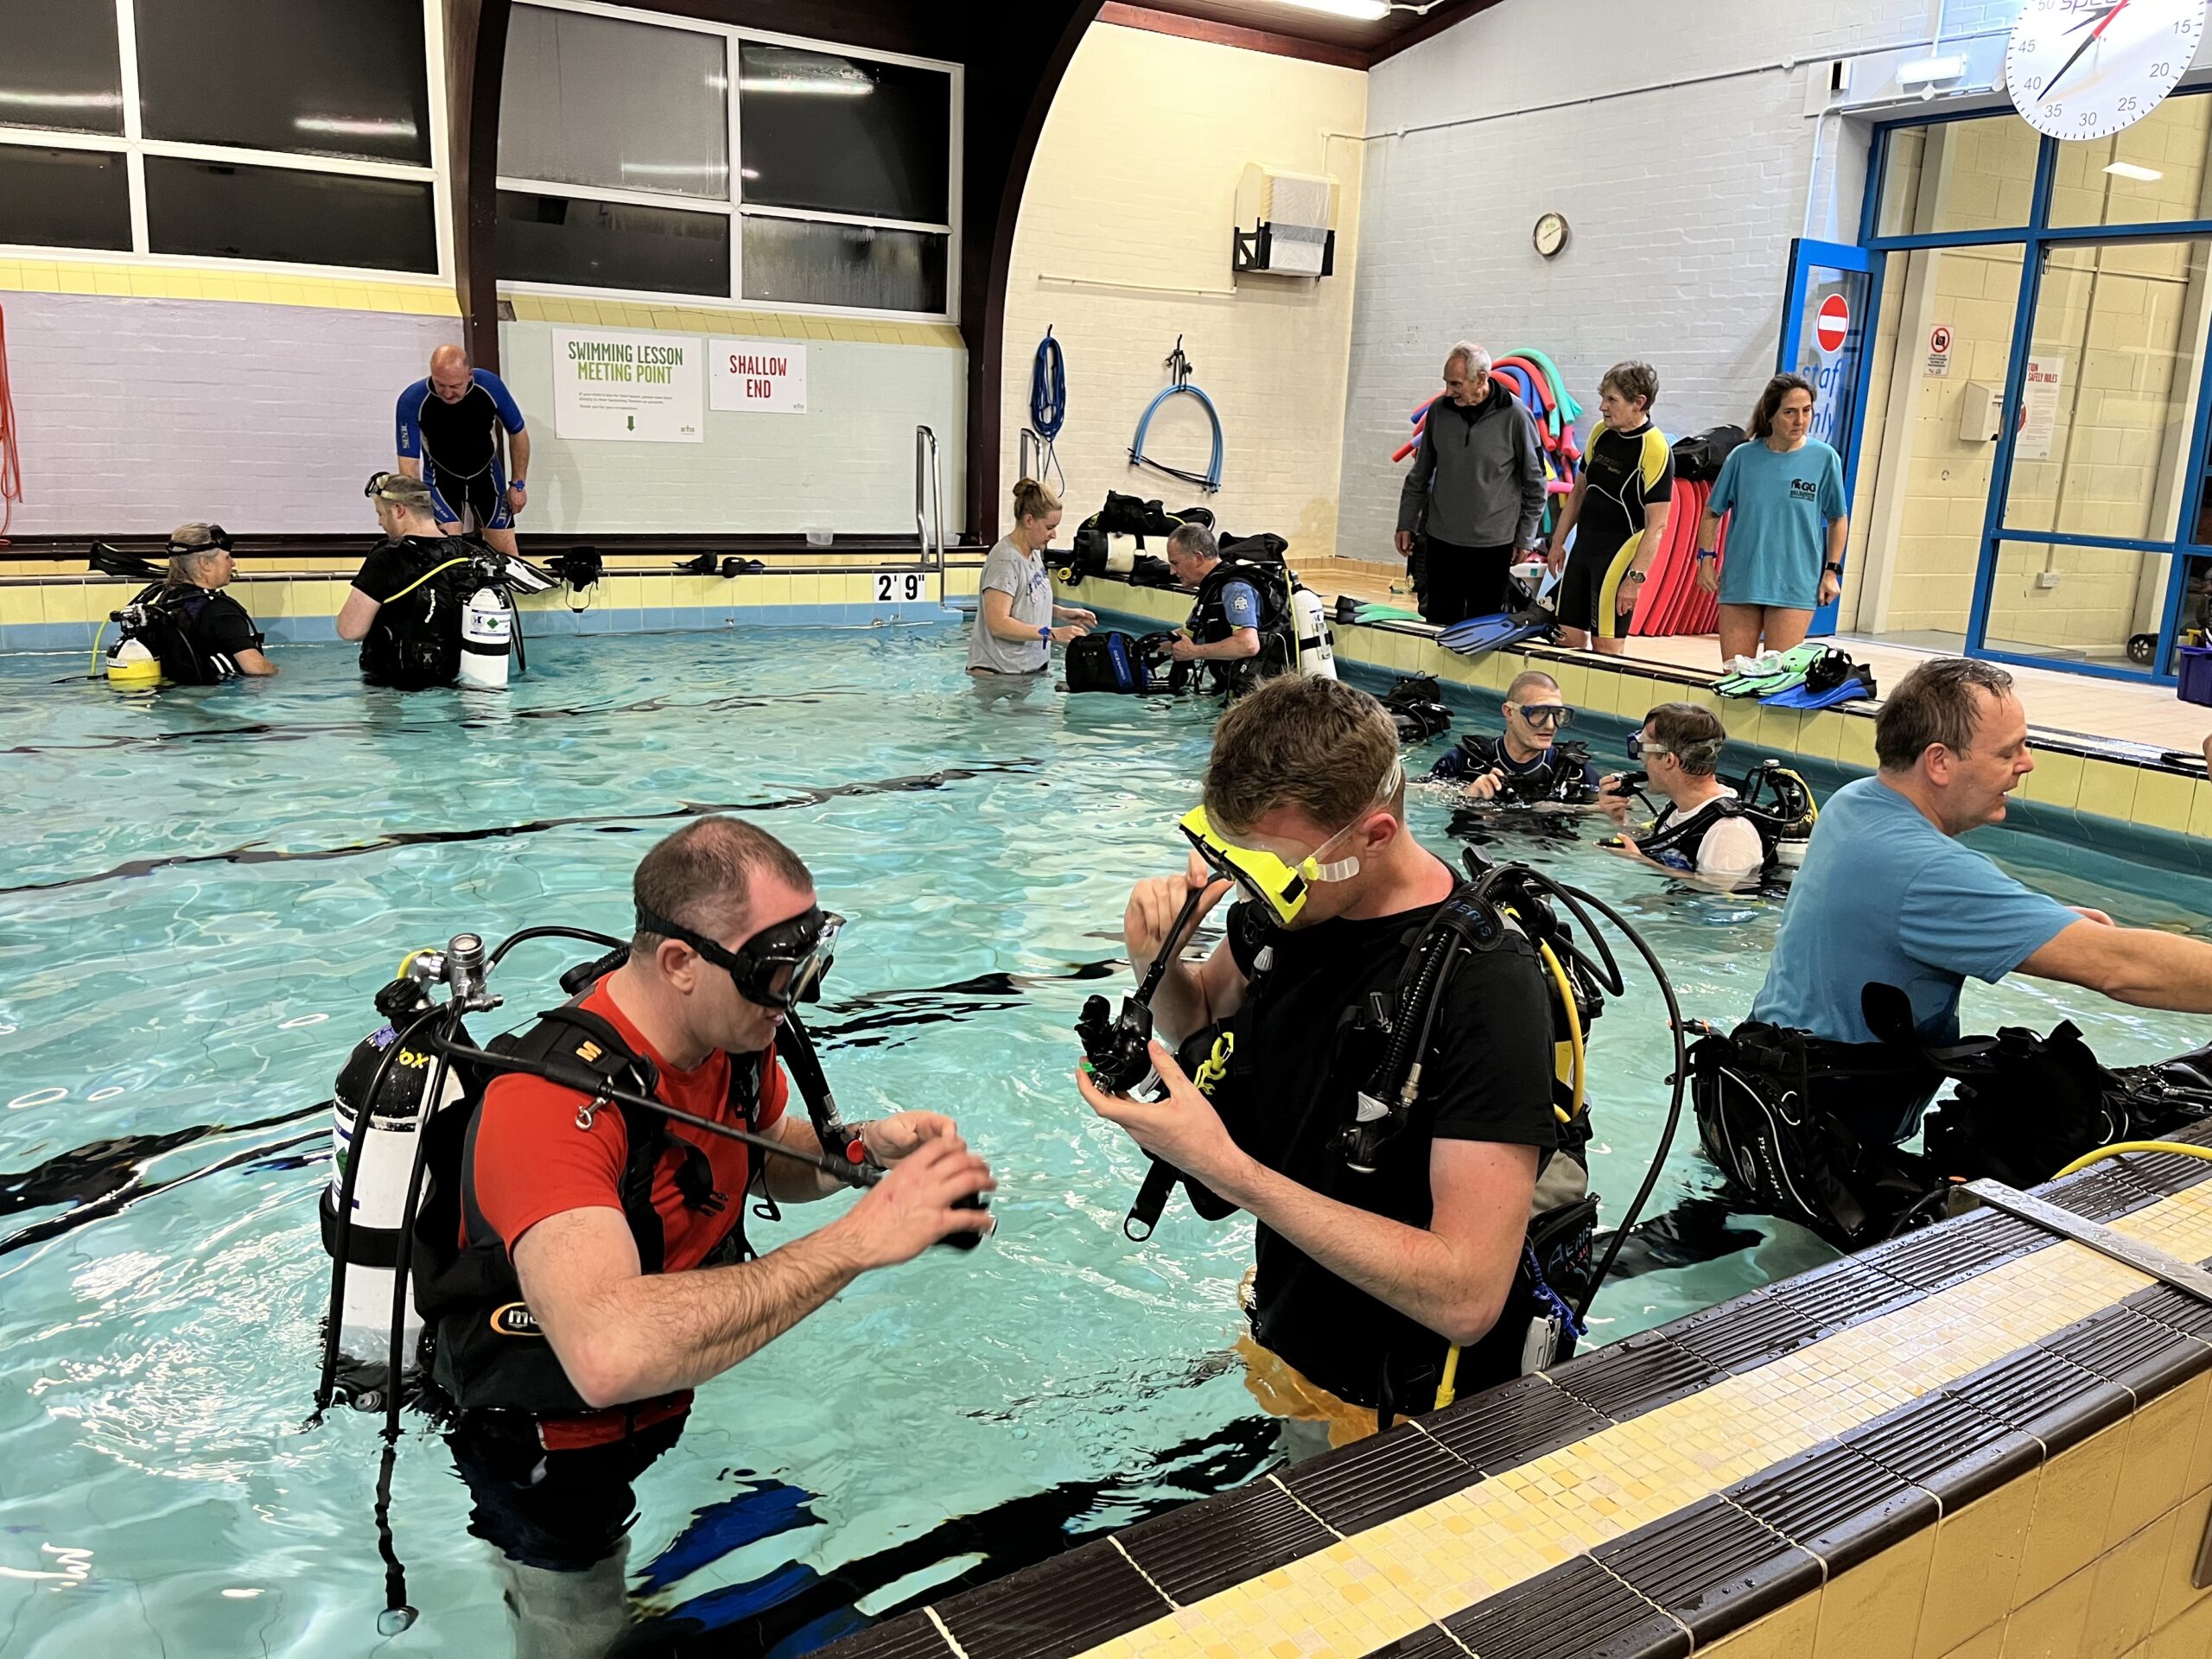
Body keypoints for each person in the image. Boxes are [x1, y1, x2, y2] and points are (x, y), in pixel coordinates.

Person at [430, 817, 994, 1657]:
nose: (792, 997)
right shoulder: (548, 1106)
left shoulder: (729, 1035)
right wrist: (860, 1239)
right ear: (679, 962)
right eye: (776, 972)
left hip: (652, 1408)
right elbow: (608, 1353)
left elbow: (760, 1159)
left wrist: (860, 1149)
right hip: (548, 1451)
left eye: (809, 965)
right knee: (580, 1639)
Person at [1077, 676, 1562, 1453]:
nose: (1245, 887)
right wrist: (1155, 963)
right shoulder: (1292, 912)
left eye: (1267, 866)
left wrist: (1228, 1169)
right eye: (1227, 854)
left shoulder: (1485, 989)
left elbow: (1468, 1293)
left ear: (1372, 834)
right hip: (1297, 1325)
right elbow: (1203, 1016)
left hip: (1404, 1409)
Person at [1751, 658, 2212, 1144]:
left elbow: (1908, 909)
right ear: (1940, 762)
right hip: (1826, 1148)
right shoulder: (1926, 871)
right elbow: (2123, 969)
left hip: (1764, 1097)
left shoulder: (1856, 802)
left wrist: (2034, 925)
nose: (2027, 763)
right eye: (2008, 751)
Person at [1697, 373, 1847, 666]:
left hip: (1794, 583)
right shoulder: (1743, 457)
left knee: (1778, 680)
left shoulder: (1825, 458)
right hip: (1743, 579)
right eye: (1790, 412)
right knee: (1734, 675)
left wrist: (1831, 572)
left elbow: (1838, 518)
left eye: (1806, 411)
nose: (1799, 420)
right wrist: (1706, 558)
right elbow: (1712, 511)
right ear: (1771, 414)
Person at [1395, 342, 1547, 627]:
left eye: (1456, 383)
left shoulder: (1516, 416)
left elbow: (1536, 485)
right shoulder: (1440, 411)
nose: (1450, 391)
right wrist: (1406, 523)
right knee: (1438, 622)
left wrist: (1525, 537)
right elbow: (1420, 473)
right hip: (1441, 540)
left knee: (1482, 626)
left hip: (1493, 544)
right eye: (1447, 383)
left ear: (1481, 378)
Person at [1546, 361, 1672, 655]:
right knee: (1566, 638)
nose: (1602, 406)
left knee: (1606, 646)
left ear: (1638, 403)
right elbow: (1578, 492)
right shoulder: (1601, 433)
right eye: (1603, 398)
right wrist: (1558, 542)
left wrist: (1635, 579)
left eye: (1612, 400)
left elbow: (1658, 525)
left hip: (1618, 556)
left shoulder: (1653, 448)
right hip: (1584, 550)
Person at [1598, 703, 1769, 887]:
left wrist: (1642, 862)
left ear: (1669, 760)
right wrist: (1620, 820)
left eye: (1643, 750)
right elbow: (1660, 843)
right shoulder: (1679, 807)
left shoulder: (1729, 831)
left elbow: (1723, 896)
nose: (1641, 760)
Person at [338, 471, 480, 689]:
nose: (379, 522)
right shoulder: (468, 554)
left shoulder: (388, 556)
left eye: (381, 514)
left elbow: (350, 630)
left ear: (399, 510)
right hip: (456, 680)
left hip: (394, 683)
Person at [397, 345, 531, 557]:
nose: (448, 393)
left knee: (507, 553)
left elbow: (518, 433)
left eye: (455, 386)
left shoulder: (489, 385)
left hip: (486, 477)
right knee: (447, 552)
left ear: (469, 376)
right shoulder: (412, 400)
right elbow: (408, 464)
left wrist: (518, 484)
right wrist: (417, 510)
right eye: (440, 385)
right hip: (442, 480)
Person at [967, 476, 1095, 681]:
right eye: (1050, 527)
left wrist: (1060, 613)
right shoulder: (1006, 560)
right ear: (1029, 521)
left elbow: (1022, 602)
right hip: (999, 675)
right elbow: (997, 623)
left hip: (1024, 672)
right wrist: (1053, 633)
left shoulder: (1034, 552)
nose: (1054, 534)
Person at [120, 524, 277, 682]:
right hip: (215, 699)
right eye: (227, 557)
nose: (233, 563)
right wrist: (279, 673)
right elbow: (256, 668)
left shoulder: (167, 599)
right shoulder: (221, 609)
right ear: (205, 564)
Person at [1427, 670, 1599, 804]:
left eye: (1558, 714)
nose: (1551, 725)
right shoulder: (1464, 762)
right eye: (1538, 712)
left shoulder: (1573, 772)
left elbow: (1610, 812)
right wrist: (1465, 796)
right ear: (1509, 712)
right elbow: (1416, 795)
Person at [1160, 523, 1289, 696]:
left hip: (1260, 696)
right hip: (1239, 689)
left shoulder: (1235, 589)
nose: (1172, 571)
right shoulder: (1213, 588)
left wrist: (1194, 653)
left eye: (1175, 563)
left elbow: (1247, 645)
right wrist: (1144, 646)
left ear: (1198, 558)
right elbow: (1188, 635)